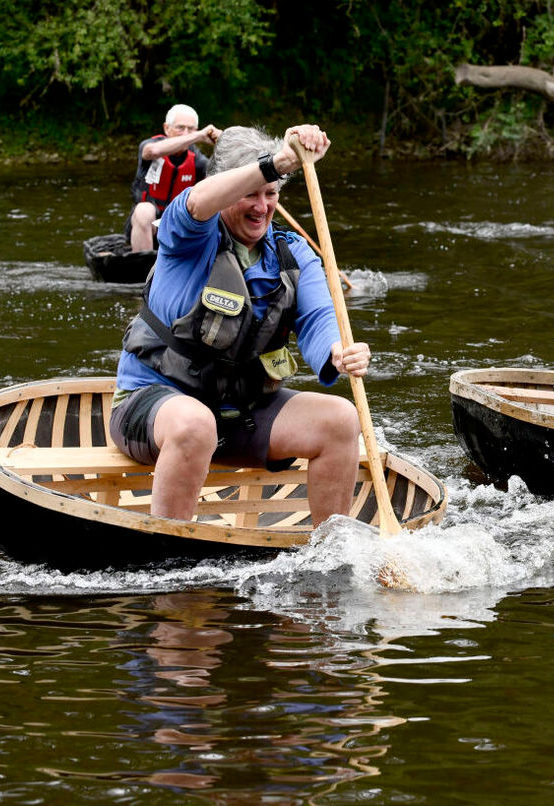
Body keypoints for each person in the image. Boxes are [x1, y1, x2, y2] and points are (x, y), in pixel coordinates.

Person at [111, 122, 372, 525]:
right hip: (155, 407)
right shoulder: (188, 233)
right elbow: (198, 201)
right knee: (195, 425)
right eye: (250, 193)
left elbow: (320, 317)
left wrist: (340, 352)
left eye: (271, 194)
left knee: (341, 420)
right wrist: (278, 162)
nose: (261, 206)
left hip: (240, 414)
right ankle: (170, 554)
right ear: (228, 187)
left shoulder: (293, 252)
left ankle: (331, 554)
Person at [127, 104, 222, 252]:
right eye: (180, 128)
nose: (185, 134)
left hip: (178, 226)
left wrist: (223, 143)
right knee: (143, 210)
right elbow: (151, 151)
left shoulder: (198, 161)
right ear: (166, 128)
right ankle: (143, 267)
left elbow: (220, 179)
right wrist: (198, 136)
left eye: (191, 129)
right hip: (146, 225)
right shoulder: (150, 146)